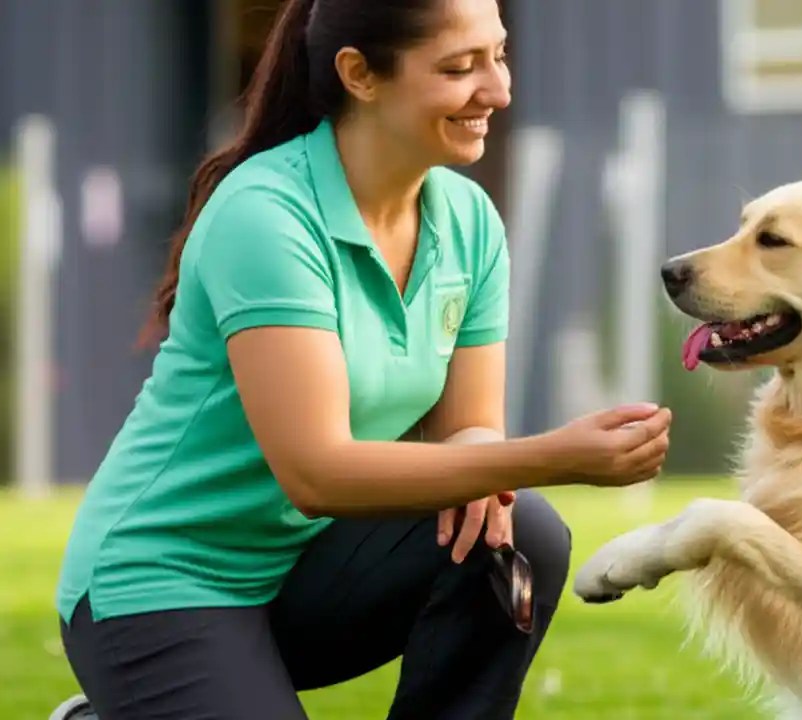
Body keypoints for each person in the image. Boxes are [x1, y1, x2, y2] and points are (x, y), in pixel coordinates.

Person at [49, 0, 672, 718]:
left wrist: (487, 461)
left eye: (498, 56)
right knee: (517, 489)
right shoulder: (268, 215)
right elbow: (317, 472)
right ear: (360, 75)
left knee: (515, 528)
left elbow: (470, 425)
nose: (498, 89)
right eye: (459, 67)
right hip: (161, 583)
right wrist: (553, 457)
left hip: (308, 574)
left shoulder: (468, 221)